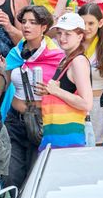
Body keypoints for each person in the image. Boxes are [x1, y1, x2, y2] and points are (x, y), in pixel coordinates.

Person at [2, 6, 63, 189]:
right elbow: (3, 85)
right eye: (24, 22)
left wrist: (52, 90)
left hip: (41, 121)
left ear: (44, 27)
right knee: (11, 176)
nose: (26, 26)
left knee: (35, 177)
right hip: (14, 120)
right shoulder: (15, 54)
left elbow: (66, 88)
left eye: (33, 22)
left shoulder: (57, 56)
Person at [39, 12, 94, 150]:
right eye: (59, 33)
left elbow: (86, 103)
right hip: (63, 137)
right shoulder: (67, 59)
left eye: (68, 34)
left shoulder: (78, 61)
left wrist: (56, 91)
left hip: (71, 138)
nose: (62, 38)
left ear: (80, 36)